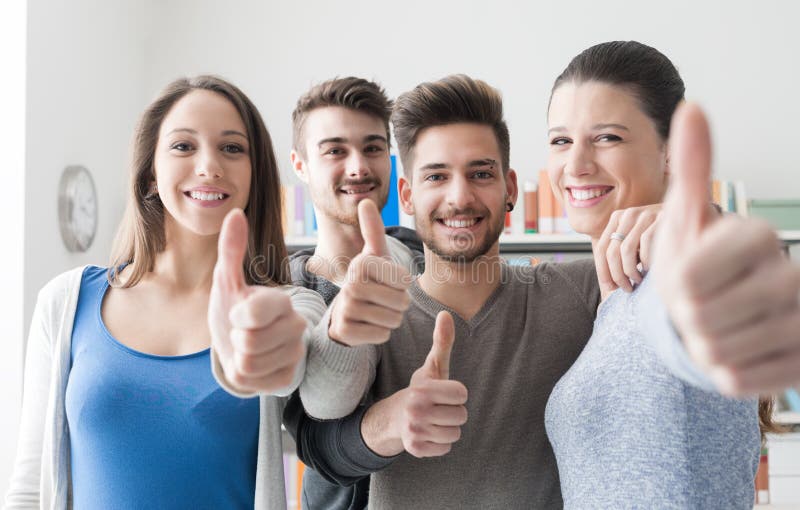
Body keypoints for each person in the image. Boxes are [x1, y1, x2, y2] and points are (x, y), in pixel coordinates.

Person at [4, 75, 328, 510]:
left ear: (255, 176)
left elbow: (295, 362)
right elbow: (30, 486)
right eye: (183, 146)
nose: (209, 165)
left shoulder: (288, 306)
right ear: (150, 173)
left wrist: (270, 346)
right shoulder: (65, 301)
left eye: (232, 148)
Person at [306, 74, 603, 508]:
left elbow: (698, 257)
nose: (460, 197)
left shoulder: (577, 293)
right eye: (437, 177)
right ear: (406, 196)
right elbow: (322, 412)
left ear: (511, 189)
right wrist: (390, 420)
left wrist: (667, 219)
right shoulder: (374, 312)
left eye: (480, 173)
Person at [542, 41, 795, 508]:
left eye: (607, 137)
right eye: (561, 140)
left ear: (671, 152)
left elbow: (693, 317)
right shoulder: (620, 294)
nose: (575, 164)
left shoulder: (670, 279)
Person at [281, 77, 423, 510]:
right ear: (300, 164)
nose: (359, 167)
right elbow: (316, 442)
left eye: (373, 147)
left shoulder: (426, 261)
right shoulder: (286, 294)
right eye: (335, 150)